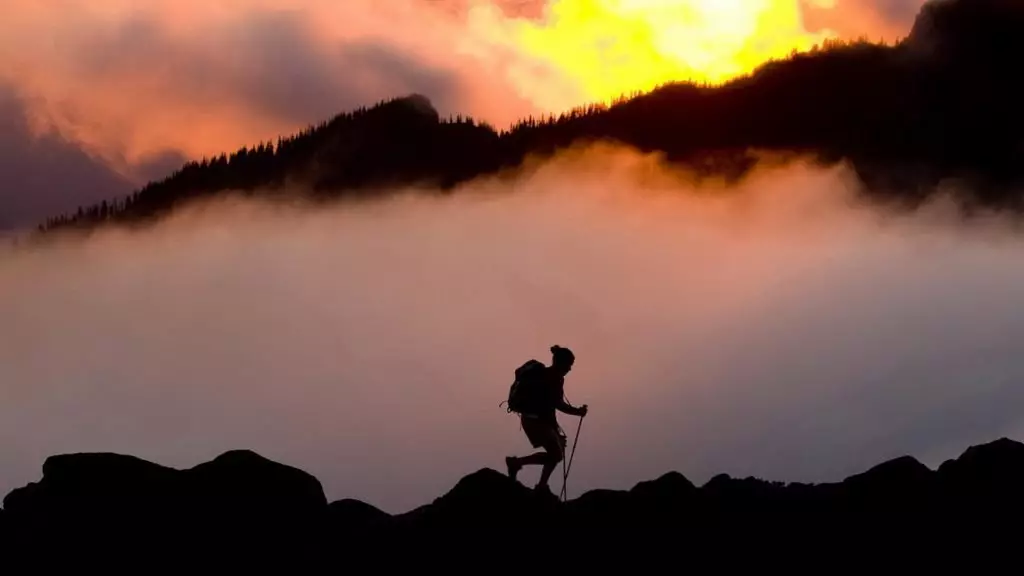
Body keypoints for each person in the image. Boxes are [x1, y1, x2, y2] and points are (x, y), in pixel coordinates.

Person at [505, 345, 588, 494]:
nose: (569, 369)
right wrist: (578, 412)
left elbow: (550, 406)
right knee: (555, 454)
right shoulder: (553, 378)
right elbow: (558, 404)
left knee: (555, 454)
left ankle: (537, 480)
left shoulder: (549, 376)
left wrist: (556, 429)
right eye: (569, 365)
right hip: (535, 421)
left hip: (534, 420)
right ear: (560, 363)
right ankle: (519, 465)